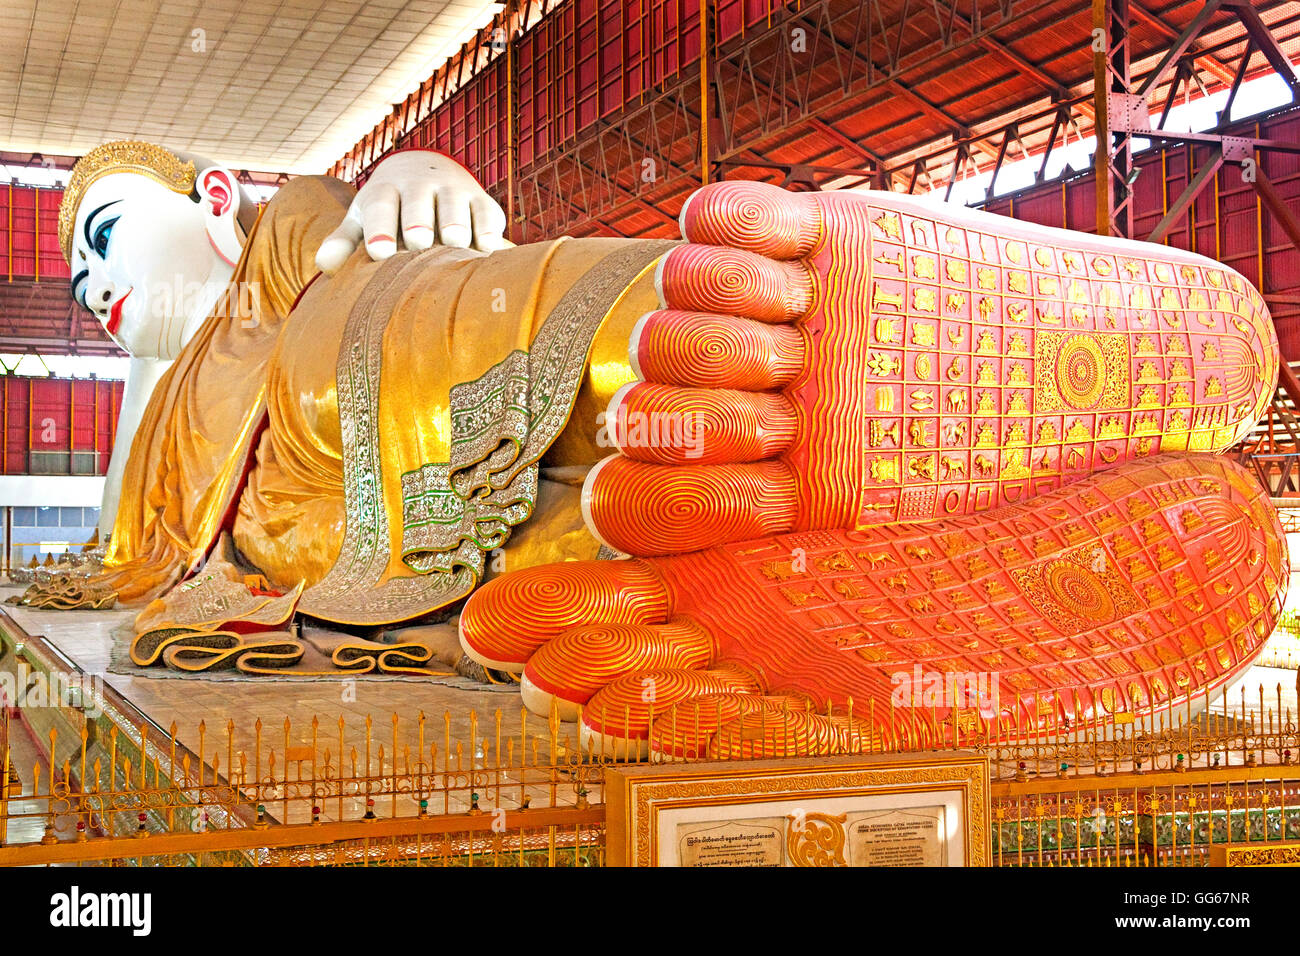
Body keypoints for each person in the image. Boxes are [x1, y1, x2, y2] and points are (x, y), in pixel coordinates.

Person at [57, 143, 1286, 754]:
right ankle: (846, 535)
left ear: (214, 200)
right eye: (74, 280)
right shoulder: (170, 409)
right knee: (588, 546)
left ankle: (810, 334)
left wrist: (411, 168)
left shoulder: (278, 251)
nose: (92, 286)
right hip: (337, 546)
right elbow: (133, 548)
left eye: (107, 238)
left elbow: (349, 219)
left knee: (508, 350)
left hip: (377, 350)